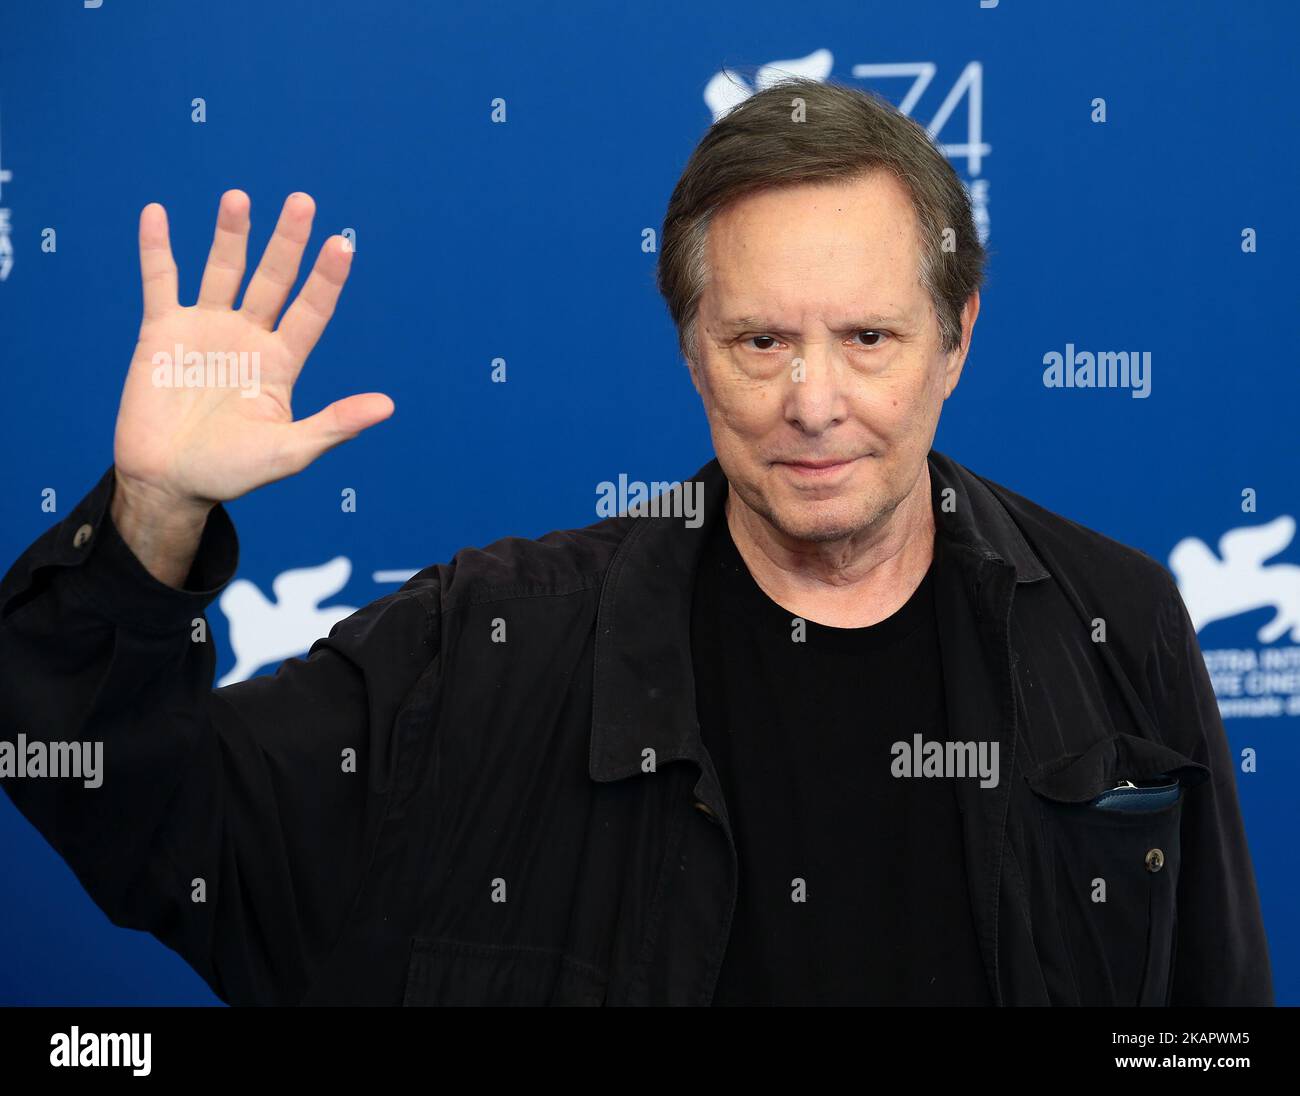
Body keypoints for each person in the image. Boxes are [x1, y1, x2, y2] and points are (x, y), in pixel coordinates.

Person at [0, 78, 1273, 1006]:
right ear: (689, 348)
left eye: (869, 340)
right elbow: (156, 824)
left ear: (959, 337)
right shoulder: (490, 643)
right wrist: (154, 510)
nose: (814, 402)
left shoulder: (1114, 615)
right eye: (760, 341)